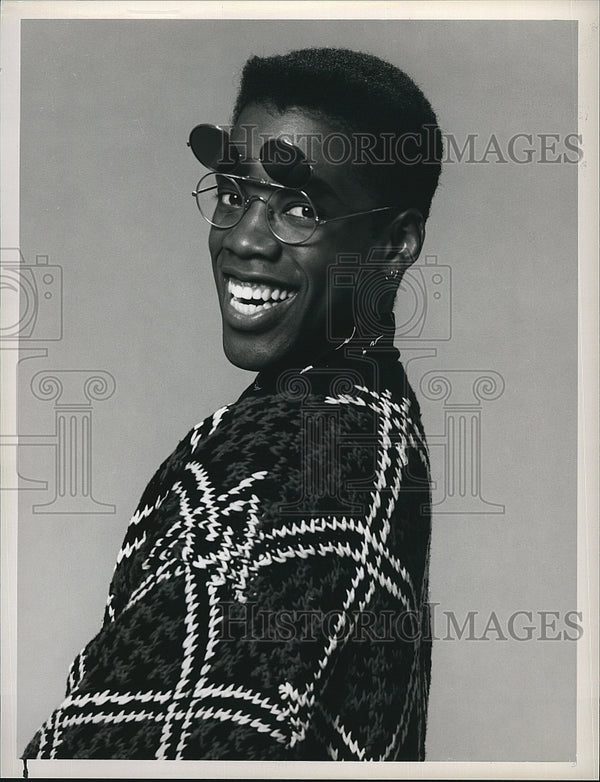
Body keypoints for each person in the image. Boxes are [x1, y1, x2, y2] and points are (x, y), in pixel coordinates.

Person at [23, 46, 442, 761]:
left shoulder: (297, 460)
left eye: (302, 207)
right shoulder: (369, 423)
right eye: (234, 192)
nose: (244, 238)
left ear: (395, 242)